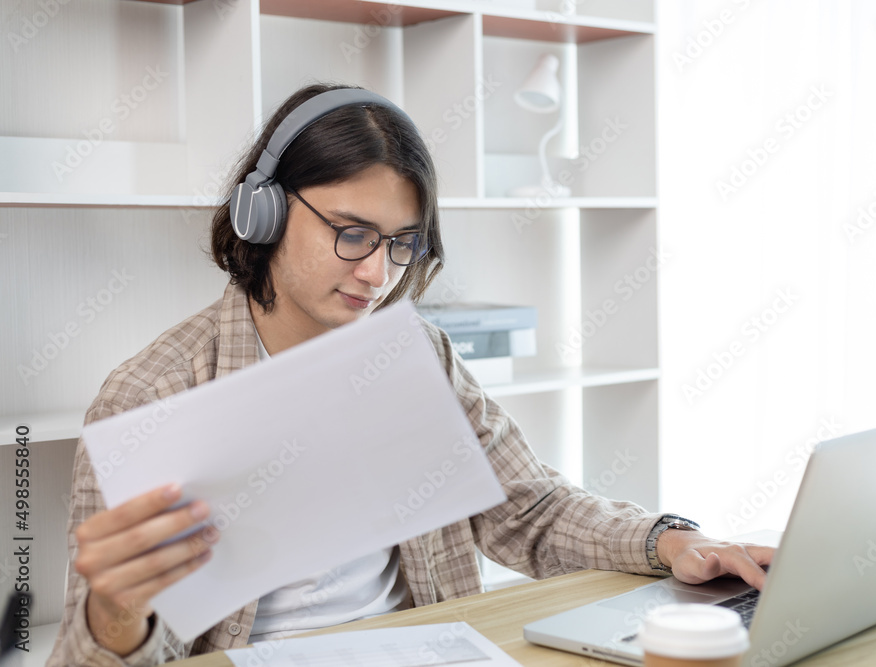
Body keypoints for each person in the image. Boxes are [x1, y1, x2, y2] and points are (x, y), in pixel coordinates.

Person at [47, 83, 774, 667]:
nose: (377, 272)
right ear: (261, 212)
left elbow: (529, 510)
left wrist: (671, 541)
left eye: (401, 244)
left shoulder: (417, 355)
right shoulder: (151, 395)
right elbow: (99, 654)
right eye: (352, 233)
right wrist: (114, 615)